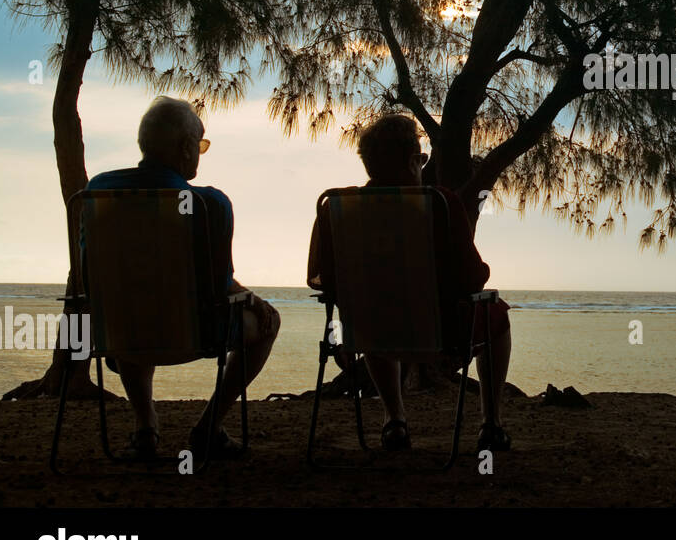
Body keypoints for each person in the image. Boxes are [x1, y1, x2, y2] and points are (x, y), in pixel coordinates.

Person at [86, 96, 281, 459]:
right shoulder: (208, 204)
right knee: (269, 321)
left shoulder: (98, 192)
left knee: (131, 301)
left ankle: (145, 428)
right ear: (186, 147)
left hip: (117, 332)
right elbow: (219, 286)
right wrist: (253, 299)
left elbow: (91, 275)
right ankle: (209, 427)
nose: (201, 153)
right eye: (201, 144)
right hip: (195, 333)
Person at [307, 113, 512, 453]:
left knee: (373, 313)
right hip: (440, 335)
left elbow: (322, 282)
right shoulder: (440, 205)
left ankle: (394, 421)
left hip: (368, 332)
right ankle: (491, 424)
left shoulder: (338, 210)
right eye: (420, 158)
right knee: (499, 314)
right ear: (412, 161)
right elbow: (474, 279)